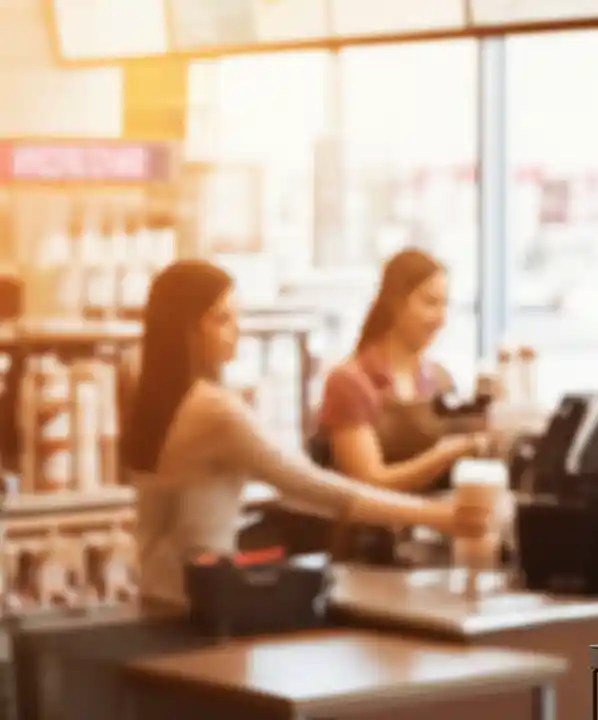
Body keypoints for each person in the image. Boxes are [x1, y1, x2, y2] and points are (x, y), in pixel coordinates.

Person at [122, 260, 493, 607]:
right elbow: (312, 488)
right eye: (222, 319)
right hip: (201, 602)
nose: (237, 331)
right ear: (189, 328)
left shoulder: (158, 402)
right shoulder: (215, 410)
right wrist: (436, 516)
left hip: (158, 598)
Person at [313, 249, 489, 491]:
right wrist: (446, 454)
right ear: (396, 302)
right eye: (430, 303)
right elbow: (368, 483)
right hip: (370, 526)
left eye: (445, 305)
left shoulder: (440, 378)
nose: (441, 318)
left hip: (433, 521)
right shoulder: (349, 382)